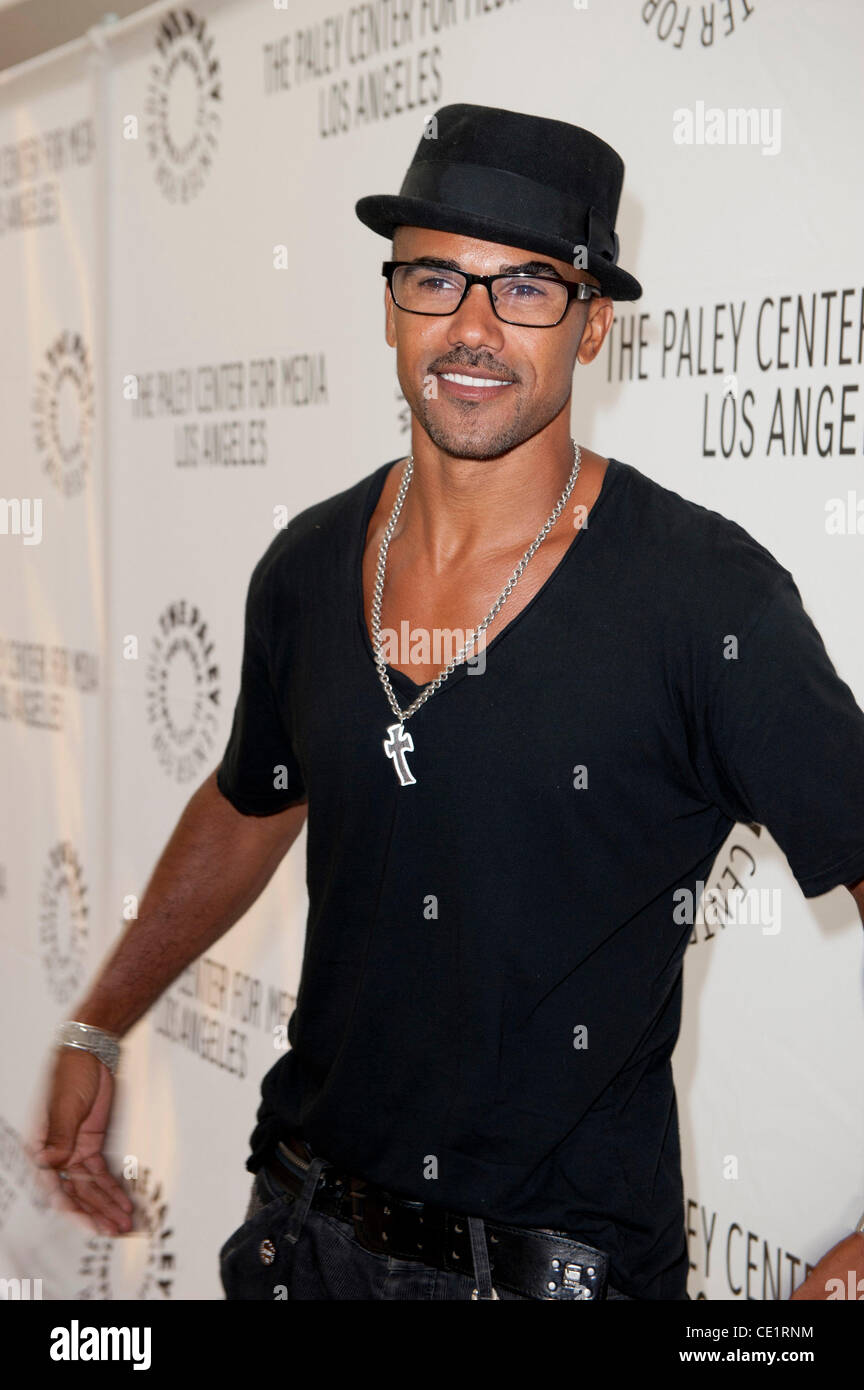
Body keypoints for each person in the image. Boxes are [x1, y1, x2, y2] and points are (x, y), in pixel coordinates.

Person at [33, 104, 864, 1302]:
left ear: (594, 324)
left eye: (526, 287)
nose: (472, 329)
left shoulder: (705, 599)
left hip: (557, 1274)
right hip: (296, 1231)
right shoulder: (311, 565)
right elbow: (254, 798)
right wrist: (98, 1019)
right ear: (388, 302)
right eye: (436, 278)